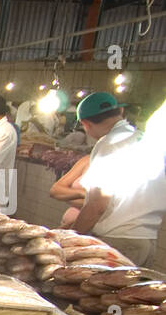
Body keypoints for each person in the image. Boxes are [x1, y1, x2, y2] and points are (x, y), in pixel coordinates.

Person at [62, 92, 166, 265]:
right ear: (121, 112)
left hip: (118, 240)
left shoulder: (109, 145)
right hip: (146, 241)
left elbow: (97, 205)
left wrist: (71, 241)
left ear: (86, 124)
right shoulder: (143, 140)